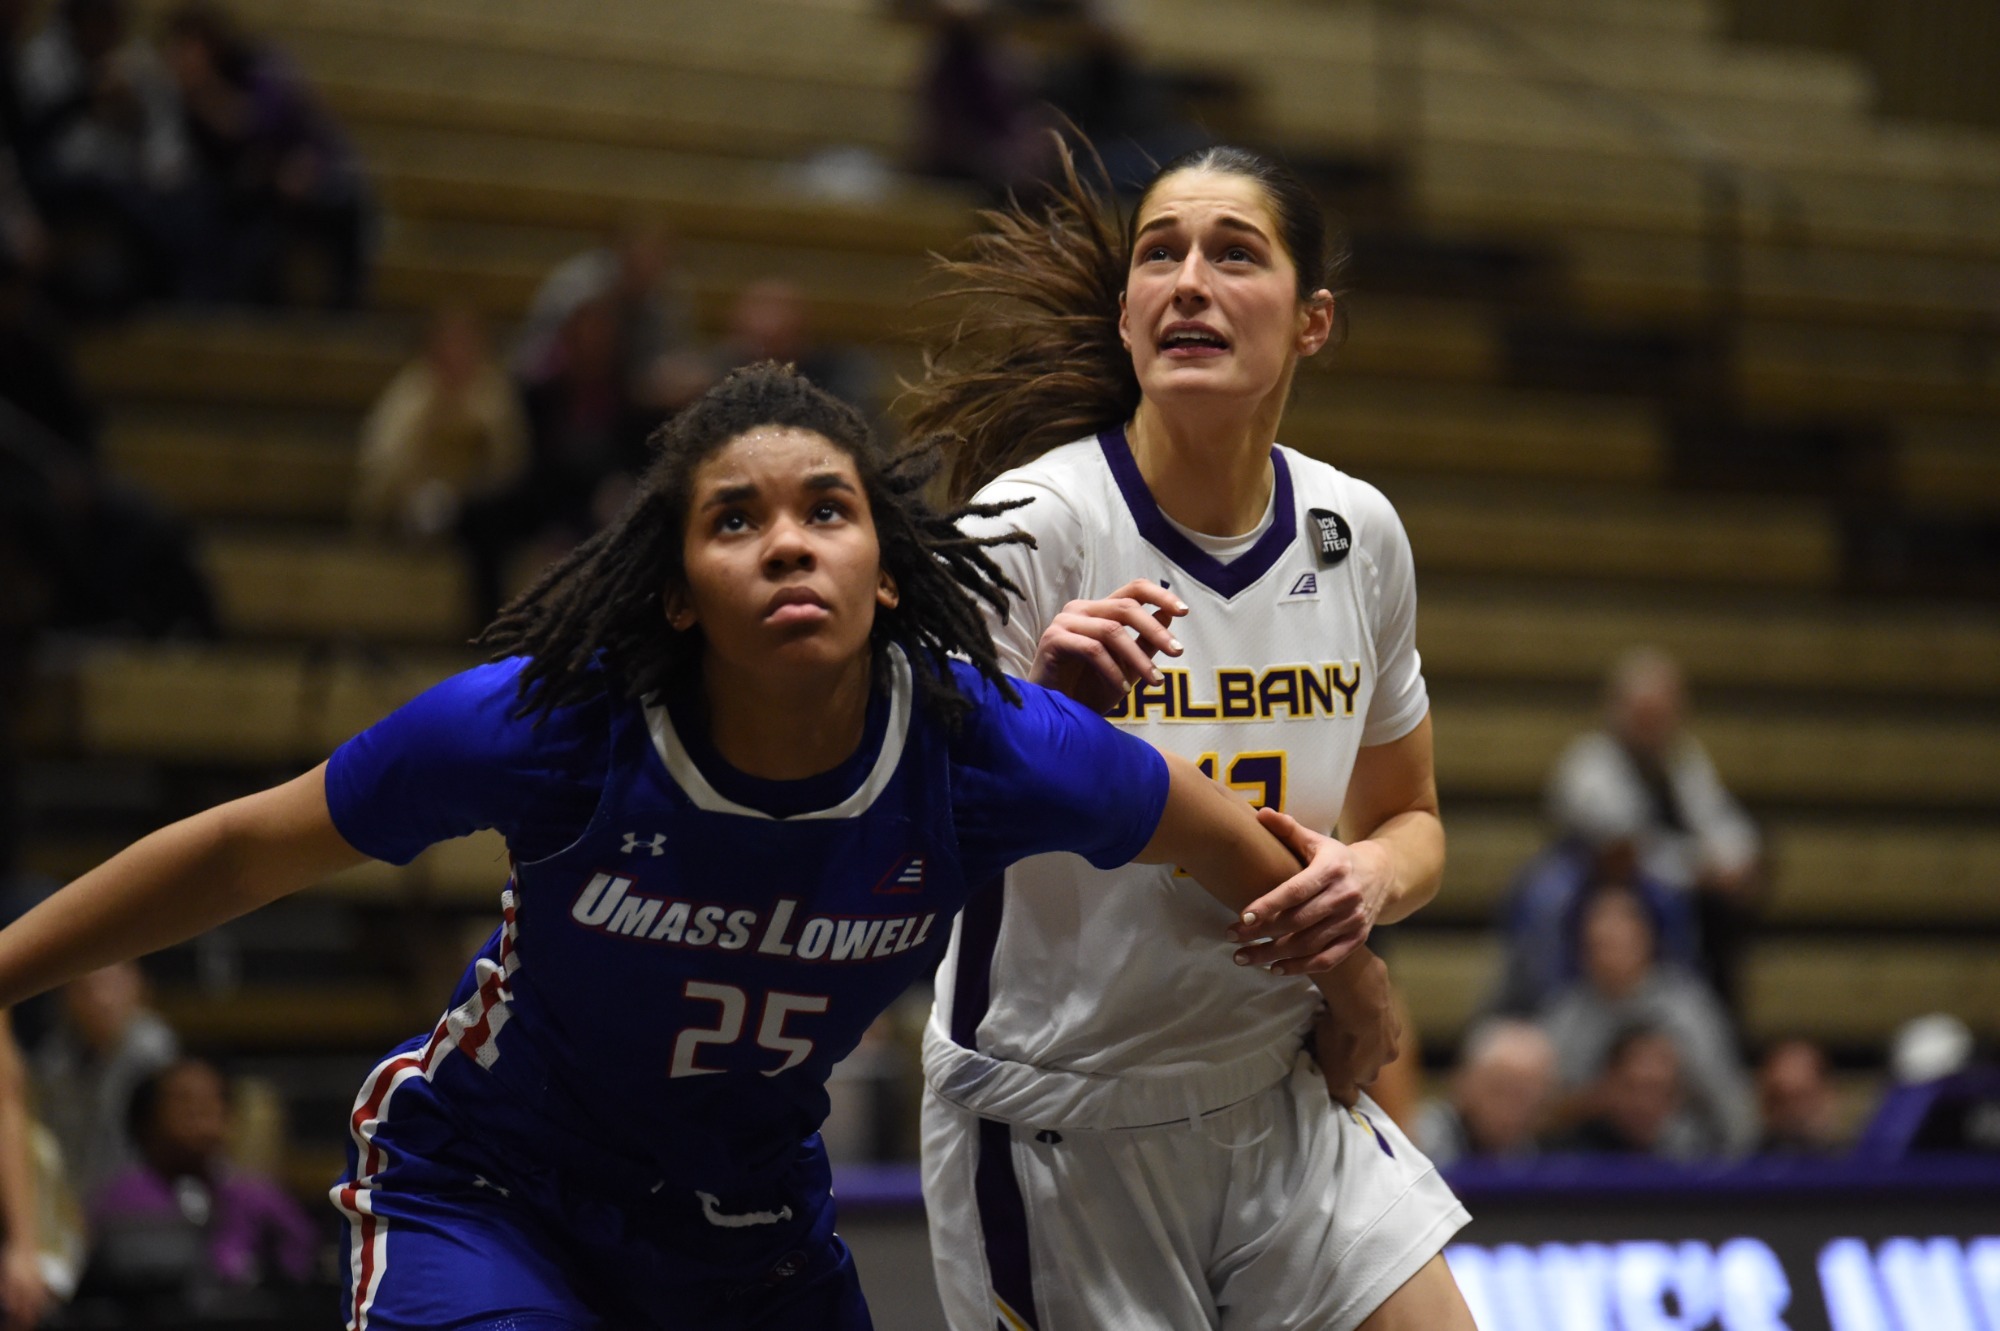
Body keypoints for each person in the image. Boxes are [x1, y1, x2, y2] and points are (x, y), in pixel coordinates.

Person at [0, 363, 1377, 1330]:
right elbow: (245, 849)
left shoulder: (986, 741)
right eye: (738, 519)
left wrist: (1354, 980)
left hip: (748, 1240)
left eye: (826, 511)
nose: (789, 545)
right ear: (673, 588)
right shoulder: (546, 726)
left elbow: (1231, 840)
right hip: (494, 1194)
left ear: (887, 566)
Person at [904, 142, 1475, 1330]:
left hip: (1278, 1088)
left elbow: (1412, 821)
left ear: (1311, 321)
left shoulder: (1354, 531)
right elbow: (909, 821)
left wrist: (1362, 881)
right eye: (1158, 255)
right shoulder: (1033, 525)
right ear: (1125, 319)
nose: (1187, 281)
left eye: (1232, 253)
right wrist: (1045, 726)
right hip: (1067, 1111)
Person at [1546, 647, 1763, 1007]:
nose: (1654, 728)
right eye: (1644, 716)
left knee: (1733, 902)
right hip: (1599, 887)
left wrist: (1737, 858)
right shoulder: (1588, 764)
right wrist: (1699, 870)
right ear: (1618, 711)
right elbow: (1628, 848)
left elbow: (1717, 817)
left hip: (1677, 878)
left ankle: (1708, 1015)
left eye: (1663, 716)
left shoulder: (1683, 760)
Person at [1537, 883, 1754, 1157]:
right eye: (1597, 945)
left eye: (1618, 943)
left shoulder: (1688, 1009)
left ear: (1645, 941)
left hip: (1684, 1160)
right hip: (1586, 1162)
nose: (1607, 957)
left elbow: (1728, 1102)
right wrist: (1598, 1099)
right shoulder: (1564, 1015)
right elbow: (1538, 1116)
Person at [87, 1057, 318, 1290]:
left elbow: (302, 1263)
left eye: (213, 1100)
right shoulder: (120, 1200)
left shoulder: (258, 1198)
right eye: (184, 1100)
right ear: (146, 1119)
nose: (201, 1112)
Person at [32, 961, 178, 1197]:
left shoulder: (153, 1050)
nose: (99, 999)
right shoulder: (53, 1060)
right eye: (85, 988)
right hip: (75, 1195)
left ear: (137, 986)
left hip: (149, 1196)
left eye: (110, 985)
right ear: (65, 995)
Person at [1412, 1018, 1556, 1167]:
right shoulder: (1419, 1141)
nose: (1509, 1110)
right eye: (1500, 1091)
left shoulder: (1530, 1154)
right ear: (1463, 1082)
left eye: (1525, 1097)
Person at [1547, 1025, 1690, 1158]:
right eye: (1632, 1088)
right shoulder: (1564, 1162)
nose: (1644, 1103)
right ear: (1607, 1083)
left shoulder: (1689, 1159)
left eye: (1659, 1090)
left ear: (1677, 1098)